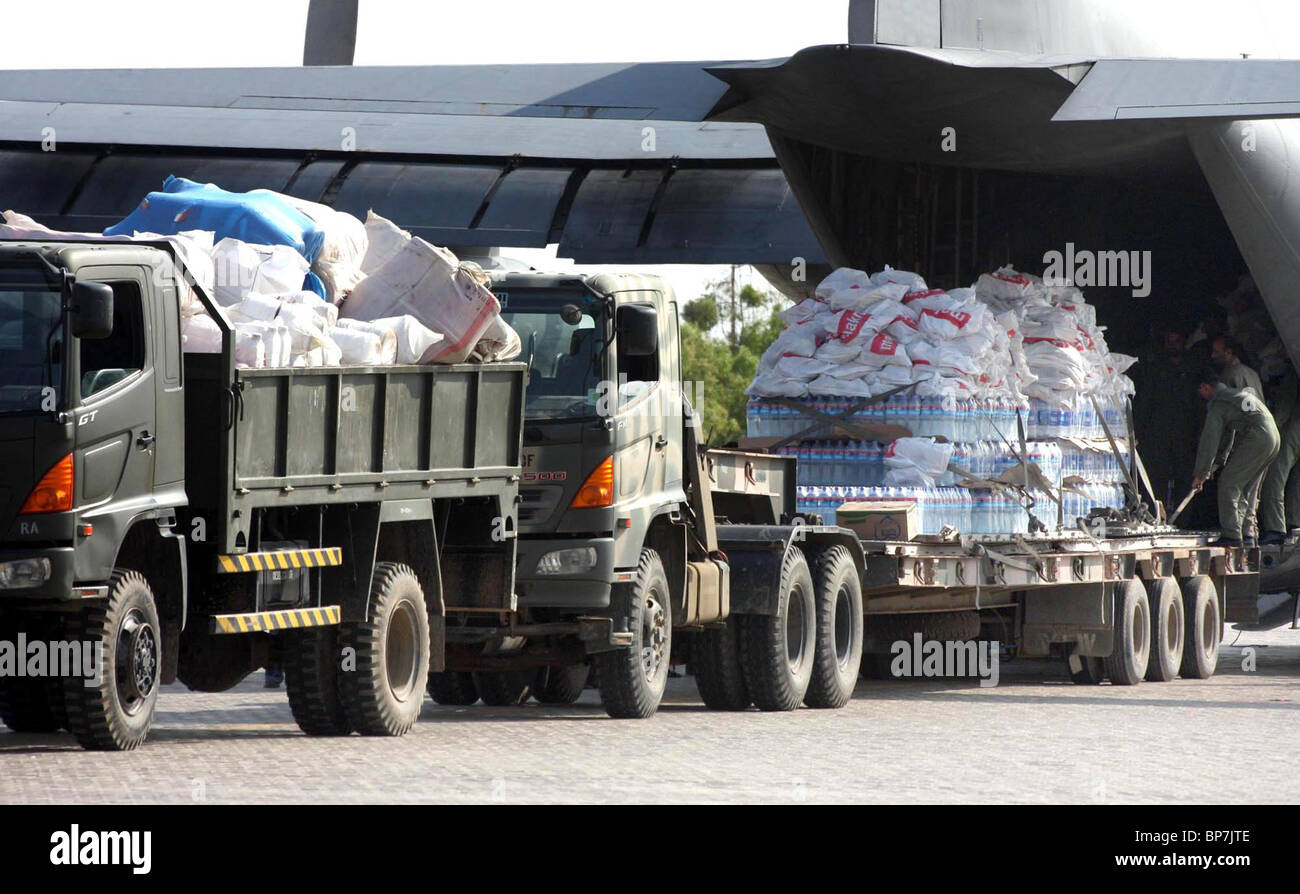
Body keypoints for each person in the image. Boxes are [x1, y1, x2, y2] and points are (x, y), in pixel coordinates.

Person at [1191, 372, 1280, 547]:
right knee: (1244, 487)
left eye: (1200, 392)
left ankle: (1231, 536)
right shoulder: (1233, 396)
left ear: (1205, 387)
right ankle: (1245, 535)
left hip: (1258, 436)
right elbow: (1227, 437)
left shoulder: (1218, 403)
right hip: (1273, 435)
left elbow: (1210, 439)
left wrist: (1200, 473)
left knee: (1228, 483)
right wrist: (1216, 465)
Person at [1258, 366, 1300, 544]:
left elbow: (1284, 408)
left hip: (1291, 429)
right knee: (1296, 481)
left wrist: (1272, 431)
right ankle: (1294, 522)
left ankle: (1276, 528)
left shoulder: (1290, 373)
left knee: (1275, 477)